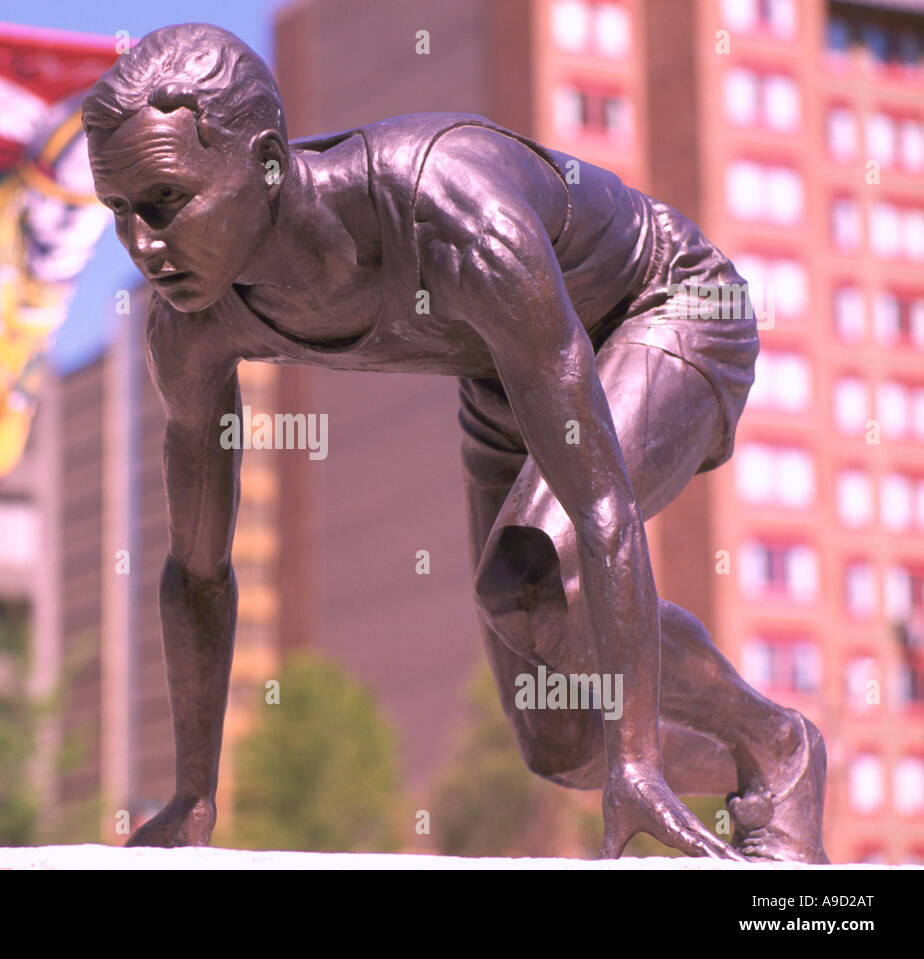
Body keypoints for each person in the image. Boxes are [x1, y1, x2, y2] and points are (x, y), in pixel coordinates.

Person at [81, 22, 827, 862]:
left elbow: (601, 506)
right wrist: (194, 796)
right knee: (560, 740)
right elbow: (197, 570)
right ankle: (758, 752)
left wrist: (639, 759)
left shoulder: (451, 210)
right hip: (507, 379)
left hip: (671, 307)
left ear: (267, 163)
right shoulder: (190, 327)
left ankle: (779, 749)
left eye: (166, 200)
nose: (142, 245)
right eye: (119, 210)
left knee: (534, 580)